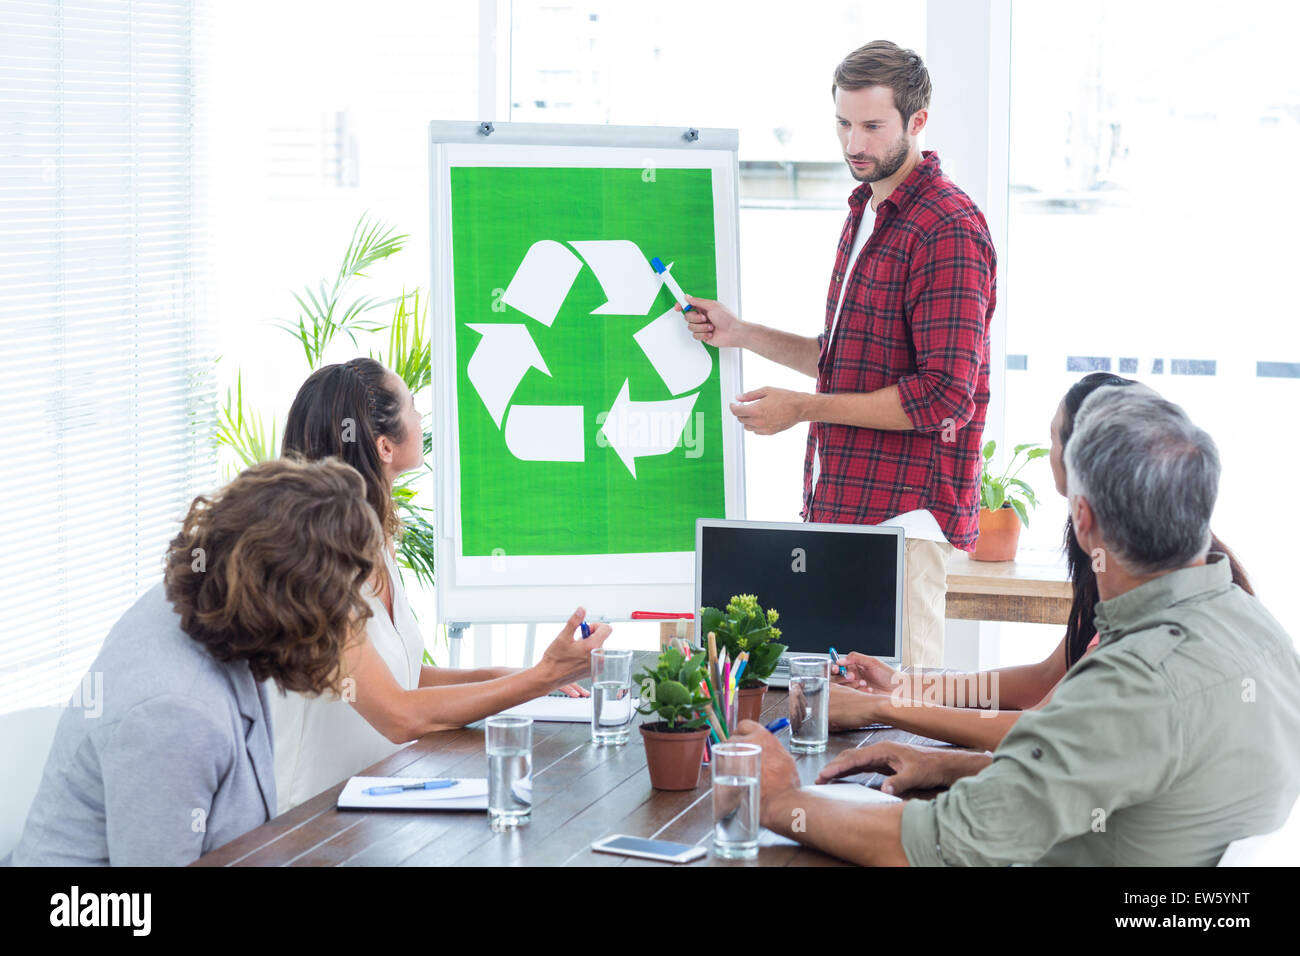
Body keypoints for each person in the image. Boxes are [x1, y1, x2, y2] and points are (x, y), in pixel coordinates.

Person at [734, 385, 1300, 865]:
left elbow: (932, 848)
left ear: (1082, 518)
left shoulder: (1134, 682)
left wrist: (782, 800)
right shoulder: (1255, 626)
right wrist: (948, 763)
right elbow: (1094, 758)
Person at [679, 40, 996, 668]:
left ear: (918, 121)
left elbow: (942, 396)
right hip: (847, 518)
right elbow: (847, 361)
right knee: (836, 731)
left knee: (903, 727)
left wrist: (803, 408)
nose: (855, 143)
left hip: (904, 531)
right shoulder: (868, 213)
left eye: (873, 126)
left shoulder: (947, 228)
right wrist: (741, 334)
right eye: (844, 124)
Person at [827, 373, 1254, 750]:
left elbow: (1039, 731)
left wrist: (882, 707)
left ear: (1085, 457)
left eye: (1055, 437)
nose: (1051, 452)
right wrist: (905, 685)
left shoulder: (1138, 586)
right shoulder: (1143, 556)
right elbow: (1046, 679)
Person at [272, 357, 611, 813]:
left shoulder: (376, 540)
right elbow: (397, 713)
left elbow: (396, 677)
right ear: (385, 447)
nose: (419, 416)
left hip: (377, 806)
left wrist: (501, 676)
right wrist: (538, 679)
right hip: (311, 826)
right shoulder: (317, 565)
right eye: (411, 406)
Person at [7, 457, 384, 866]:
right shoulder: (175, 713)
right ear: (289, 604)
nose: (348, 614)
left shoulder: (202, 605)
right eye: (339, 598)